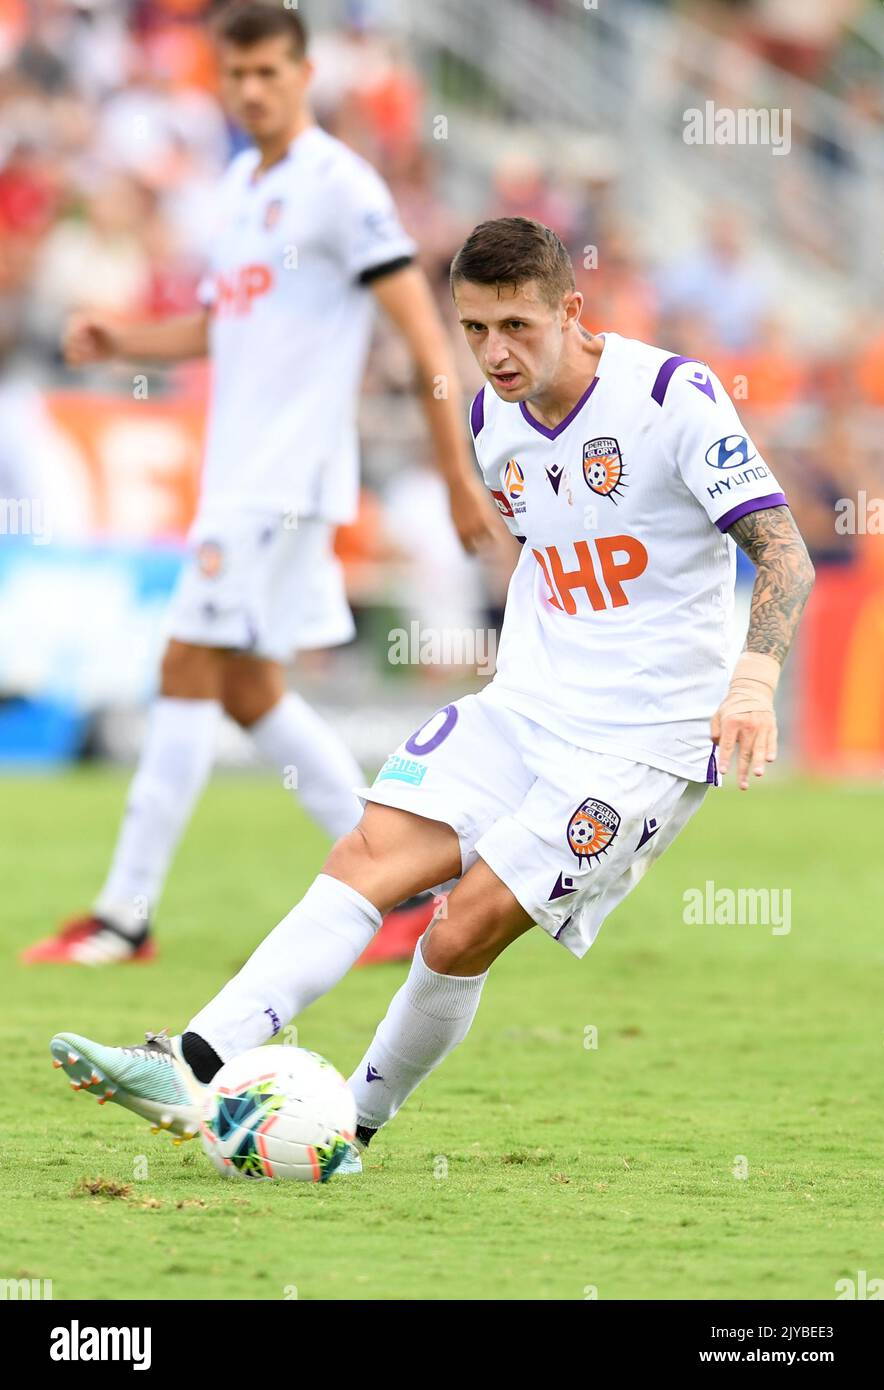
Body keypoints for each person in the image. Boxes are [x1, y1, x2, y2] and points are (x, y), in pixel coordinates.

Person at [50, 216, 815, 1175]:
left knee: (461, 929)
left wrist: (753, 678)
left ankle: (349, 1129)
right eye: (475, 330)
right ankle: (186, 1062)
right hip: (528, 707)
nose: (496, 353)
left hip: (643, 742)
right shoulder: (493, 422)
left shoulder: (673, 397)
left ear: (571, 312)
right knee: (368, 851)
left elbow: (783, 552)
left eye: (517, 327)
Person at [25, 3, 494, 966]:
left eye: (269, 73)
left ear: (304, 72)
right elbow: (217, 325)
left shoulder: (338, 185)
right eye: (235, 75)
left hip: (281, 480)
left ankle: (124, 917)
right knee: (247, 689)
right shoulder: (242, 182)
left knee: (184, 665)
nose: (251, 91)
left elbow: (419, 328)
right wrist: (122, 341)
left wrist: (457, 469)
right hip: (242, 473)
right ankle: (405, 885)